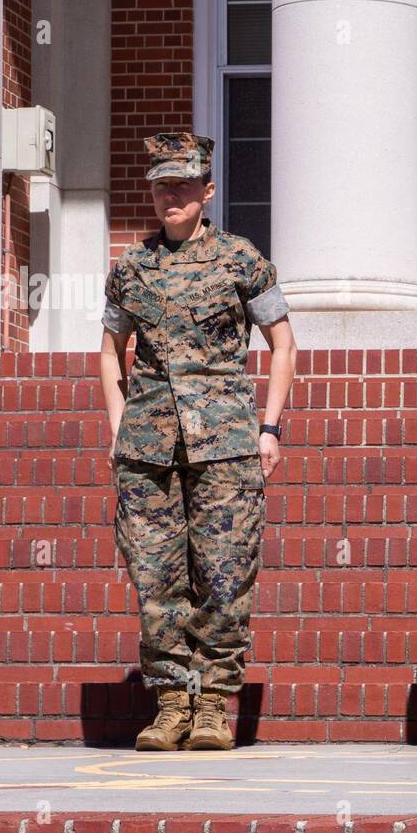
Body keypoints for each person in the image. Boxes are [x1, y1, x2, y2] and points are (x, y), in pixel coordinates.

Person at [98, 133, 298, 752]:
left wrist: (269, 428)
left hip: (228, 444)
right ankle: (169, 703)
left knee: (224, 573)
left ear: (208, 190)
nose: (172, 196)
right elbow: (110, 353)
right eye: (162, 185)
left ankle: (212, 704)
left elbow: (283, 344)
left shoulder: (242, 259)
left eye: (183, 184)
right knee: (155, 576)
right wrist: (118, 426)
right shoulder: (131, 268)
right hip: (148, 448)